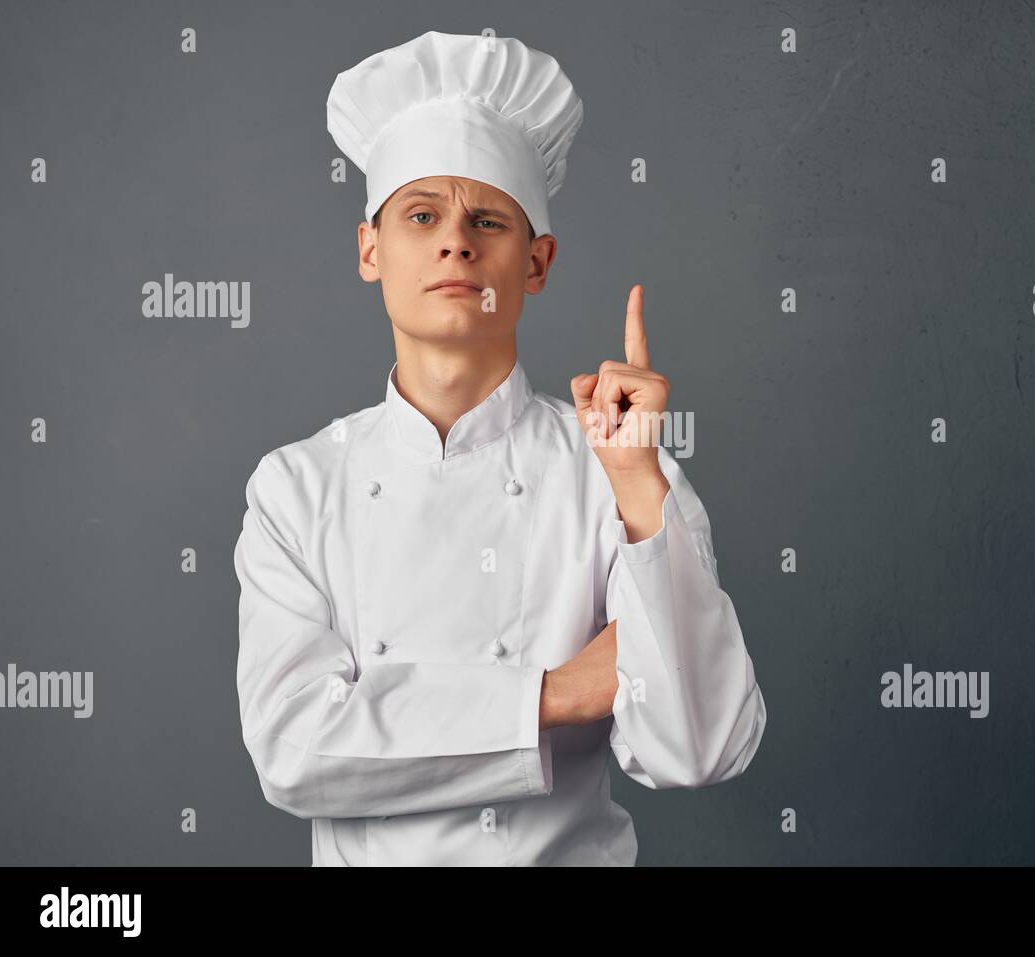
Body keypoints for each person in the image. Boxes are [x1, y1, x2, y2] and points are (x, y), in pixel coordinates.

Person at [233, 30, 766, 866]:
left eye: (487, 219)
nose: (456, 243)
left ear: (538, 262)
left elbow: (699, 749)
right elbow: (296, 751)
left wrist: (638, 485)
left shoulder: (614, 472)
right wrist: (552, 695)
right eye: (421, 216)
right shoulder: (296, 489)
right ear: (371, 250)